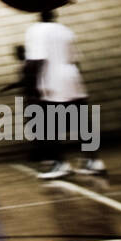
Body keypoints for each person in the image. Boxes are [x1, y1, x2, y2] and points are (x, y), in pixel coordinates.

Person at [24, 10, 105, 179]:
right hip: (72, 79)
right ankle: (94, 162)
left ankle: (59, 165)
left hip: (52, 82)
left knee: (46, 128)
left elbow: (36, 61)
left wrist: (31, 88)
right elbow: (74, 59)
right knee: (83, 125)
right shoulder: (65, 30)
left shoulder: (36, 30)